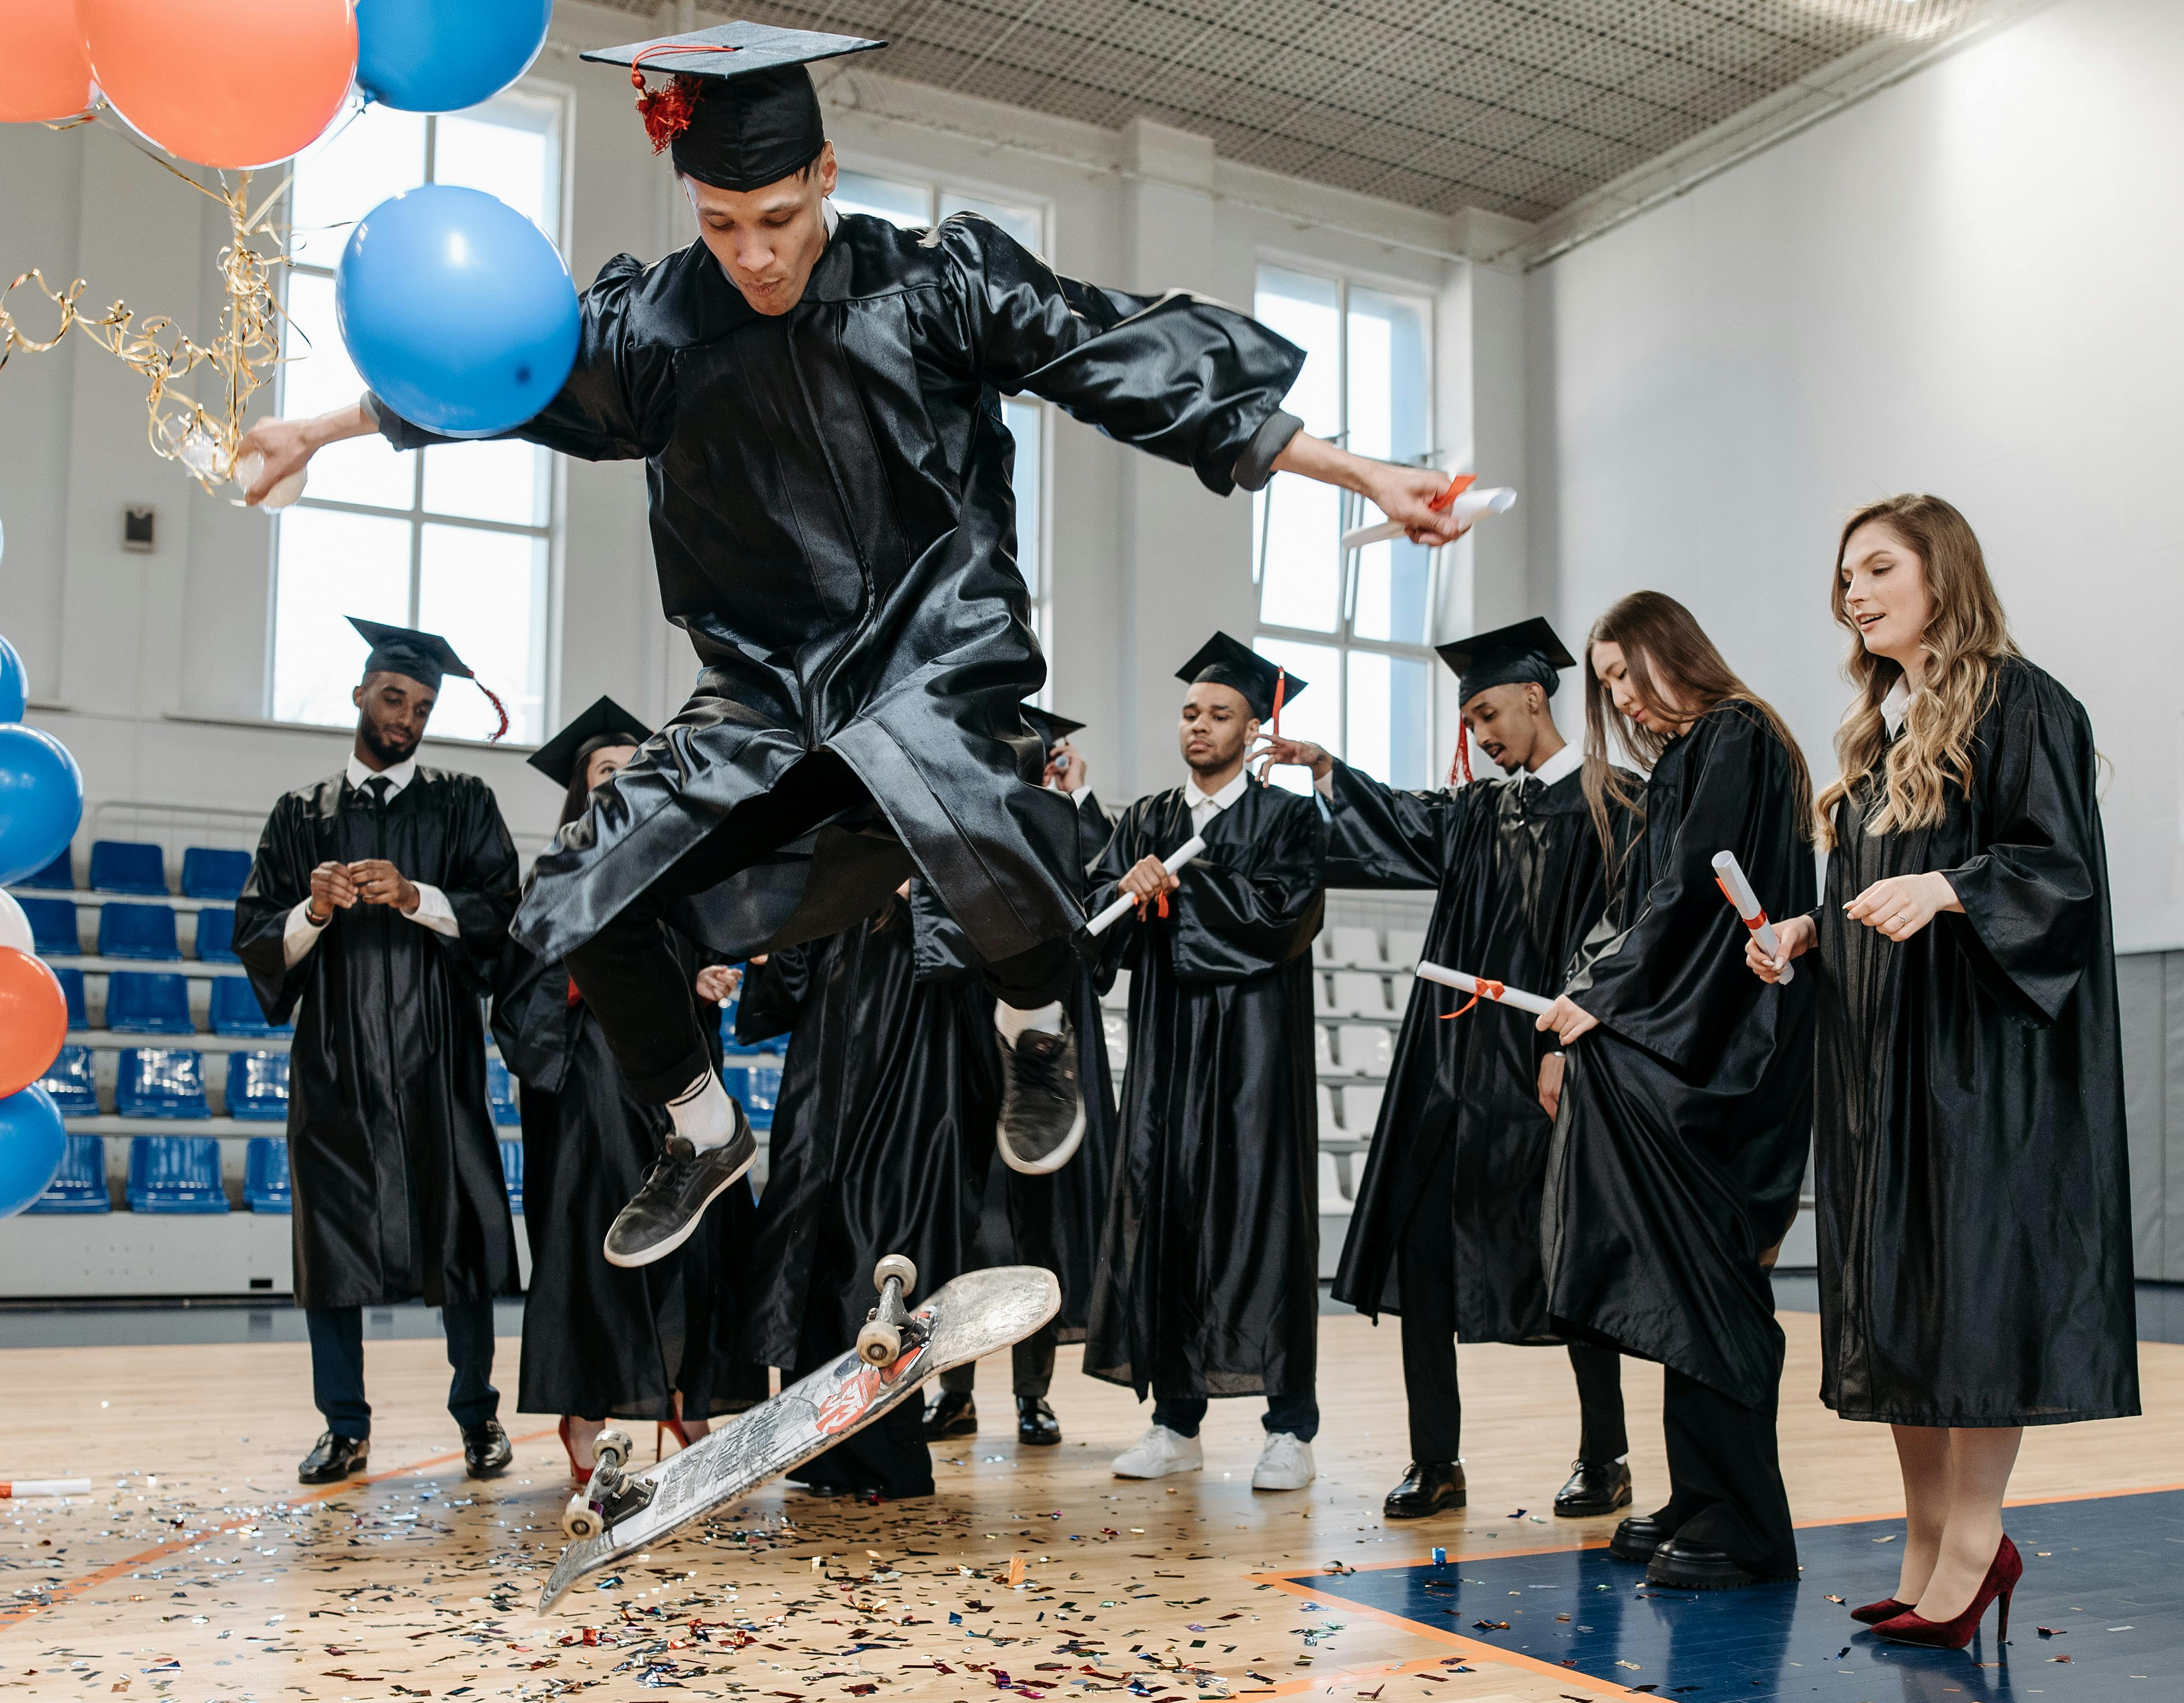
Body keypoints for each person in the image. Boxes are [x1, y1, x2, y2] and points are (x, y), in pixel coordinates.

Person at [236, 21, 1466, 1284]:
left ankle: (1034, 1028)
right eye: (722, 227)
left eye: (774, 217)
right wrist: (320, 432)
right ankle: (702, 1132)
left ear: (825, 175)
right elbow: (499, 376)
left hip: (934, 664)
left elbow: (1122, 355)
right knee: (574, 897)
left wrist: (1355, 466)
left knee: (986, 831)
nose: (754, 256)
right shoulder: (654, 327)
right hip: (765, 701)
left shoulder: (930, 285)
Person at [1744, 494, 2139, 1648]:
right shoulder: (1881, 731)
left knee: (1968, 1302)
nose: (1855, 593)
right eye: (1847, 576)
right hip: (1879, 1066)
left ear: (1941, 578)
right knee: (1902, 1302)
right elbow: (1867, 886)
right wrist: (1809, 932)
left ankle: (1977, 1543)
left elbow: (2056, 870)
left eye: (1878, 570)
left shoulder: (2023, 702)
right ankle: (1922, 1546)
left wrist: (1952, 888)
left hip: (1978, 1065)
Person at [1265, 619, 1627, 1521]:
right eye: (1468, 718)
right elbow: (1394, 818)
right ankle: (1436, 1458)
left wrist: (1571, 1039)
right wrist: (1327, 771)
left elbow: (1626, 930)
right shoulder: (1477, 810)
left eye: (1487, 710)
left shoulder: (1614, 801)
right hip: (1454, 1072)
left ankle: (1605, 1455)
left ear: (1536, 696)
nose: (1478, 732)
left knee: (1569, 1261)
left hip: (1548, 1067)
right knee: (1424, 1259)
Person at [1534, 593, 1818, 1588]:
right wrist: (1585, 999)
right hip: (1693, 1037)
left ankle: (1746, 1519)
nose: (1621, 698)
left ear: (1670, 652)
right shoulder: (1689, 760)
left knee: (1713, 1279)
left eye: (1626, 674)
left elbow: (1692, 891)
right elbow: (1634, 902)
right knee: (1679, 1277)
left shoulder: (1735, 735)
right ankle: (1700, 1494)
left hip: (1733, 1051)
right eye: (1605, 683)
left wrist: (1601, 1001)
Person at [234, 618, 525, 1486]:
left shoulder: (465, 801)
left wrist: (416, 895)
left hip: (438, 1061)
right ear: (361, 694)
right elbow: (254, 936)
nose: (406, 717)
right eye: (394, 697)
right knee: (331, 1248)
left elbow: (501, 915)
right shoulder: (299, 817)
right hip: (334, 1063)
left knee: (460, 1238)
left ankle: (478, 1420)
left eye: (423, 706)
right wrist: (313, 912)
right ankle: (344, 1426)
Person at [492, 697, 767, 1487]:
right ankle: (586, 1410)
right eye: (603, 772)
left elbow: (710, 958)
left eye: (629, 772)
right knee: (588, 1246)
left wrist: (705, 978)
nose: (617, 782)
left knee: (699, 1245)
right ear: (580, 793)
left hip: (674, 1091)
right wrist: (585, 994)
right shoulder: (553, 878)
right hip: (585, 1093)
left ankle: (690, 1400)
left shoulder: (681, 872)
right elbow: (516, 997)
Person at [1081, 635, 1326, 1490]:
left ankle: (1289, 1426)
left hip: (1256, 1054)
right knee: (1171, 1216)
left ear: (1254, 727)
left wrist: (1186, 892)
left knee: (1264, 1222)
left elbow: (1283, 920)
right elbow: (1094, 929)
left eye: (1220, 714)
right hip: (1166, 1056)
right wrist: (1122, 890)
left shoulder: (1290, 818)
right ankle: (1175, 1421)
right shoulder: (1147, 818)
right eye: (1190, 711)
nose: (1199, 726)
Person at [727, 881, 987, 1503]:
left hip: (906, 1103)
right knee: (810, 1267)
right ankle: (824, 1456)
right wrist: (773, 946)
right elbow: (785, 996)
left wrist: (914, 893)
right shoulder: (833, 876)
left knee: (872, 1277)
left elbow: (967, 961)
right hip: (819, 1105)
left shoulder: (935, 876)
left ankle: (890, 1462)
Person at [929, 710, 1118, 1450]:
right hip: (970, 1036)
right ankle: (954, 1391)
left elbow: (1105, 915)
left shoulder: (1066, 825)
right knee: (964, 1223)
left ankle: (1033, 1395)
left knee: (1034, 1228)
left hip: (1044, 1051)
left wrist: (1078, 798)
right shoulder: (966, 824)